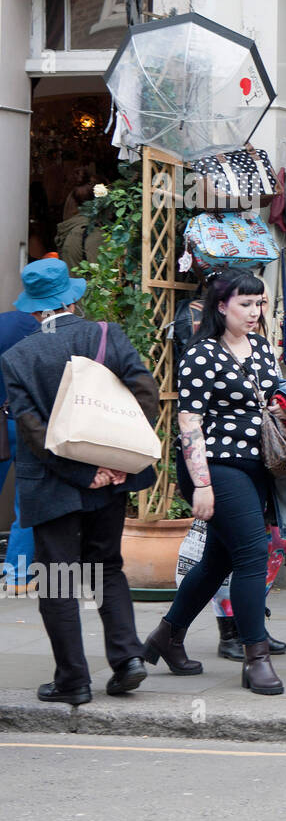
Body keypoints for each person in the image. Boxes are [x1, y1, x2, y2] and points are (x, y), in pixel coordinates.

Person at [0, 258, 159, 704]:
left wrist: (83, 473)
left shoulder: (17, 358)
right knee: (108, 566)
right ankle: (128, 658)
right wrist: (117, 462)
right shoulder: (105, 335)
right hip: (113, 479)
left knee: (58, 581)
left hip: (53, 485)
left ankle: (73, 681)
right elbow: (144, 393)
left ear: (35, 311)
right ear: (73, 297)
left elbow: (33, 433)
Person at [151, 270, 286, 695]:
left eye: (259, 304)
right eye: (245, 304)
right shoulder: (200, 353)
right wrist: (203, 485)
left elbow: (271, 401)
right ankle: (256, 657)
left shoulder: (262, 347)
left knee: (217, 562)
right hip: (216, 467)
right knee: (251, 554)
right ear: (221, 305)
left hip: (257, 466)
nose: (254, 312)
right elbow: (189, 422)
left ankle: (166, 638)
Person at [0, 303, 39, 587]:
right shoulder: (48, 331)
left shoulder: (4, 323)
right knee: (26, 501)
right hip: (30, 424)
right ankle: (18, 576)